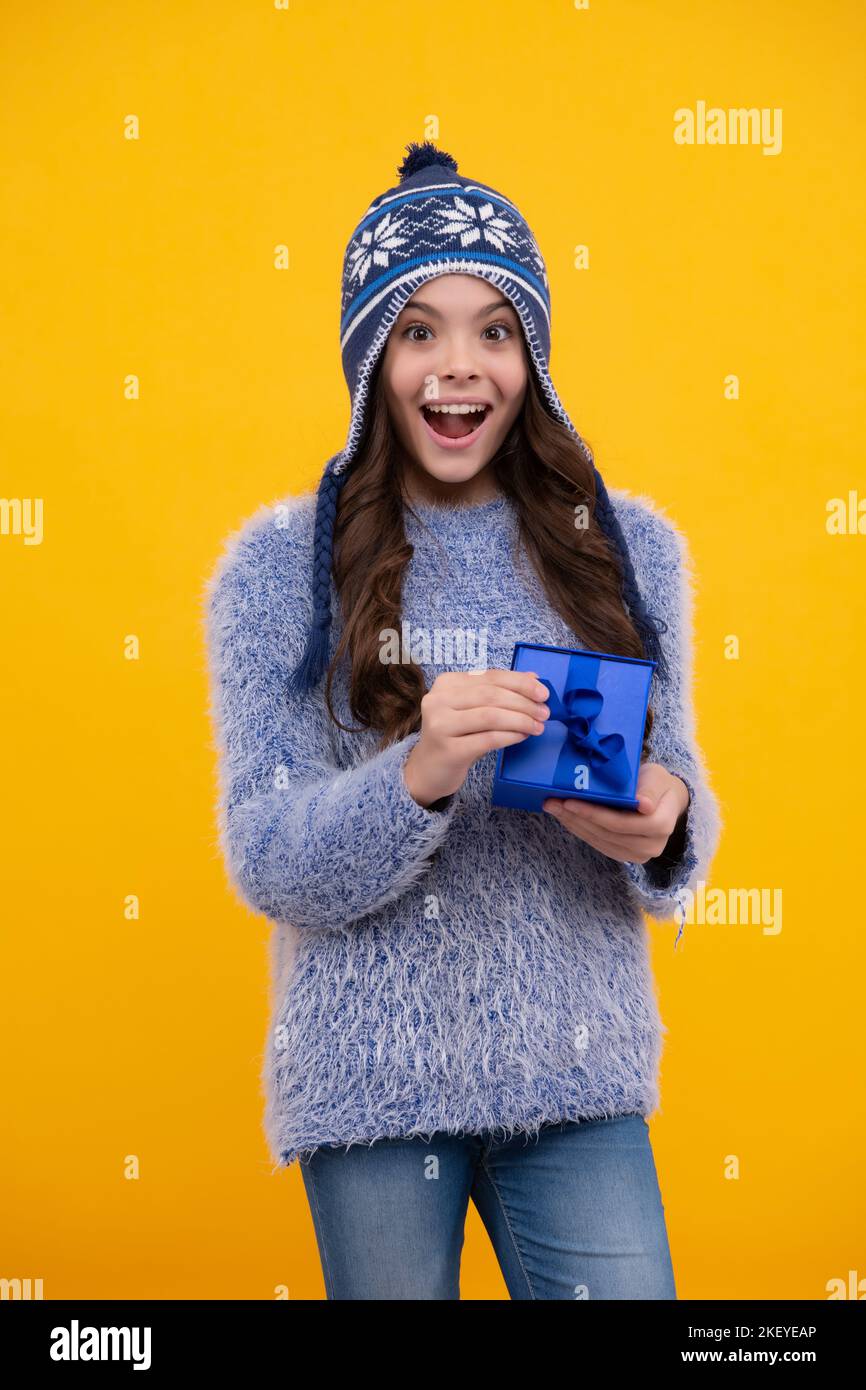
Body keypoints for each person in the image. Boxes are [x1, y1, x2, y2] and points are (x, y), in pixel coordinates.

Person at [203, 141, 722, 1300]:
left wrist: (666, 821)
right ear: (370, 353)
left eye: (494, 329)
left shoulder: (625, 548)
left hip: (575, 1070)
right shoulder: (278, 567)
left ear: (530, 354)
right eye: (419, 329)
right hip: (372, 1084)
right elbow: (266, 853)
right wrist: (417, 774)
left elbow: (675, 775)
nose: (459, 366)